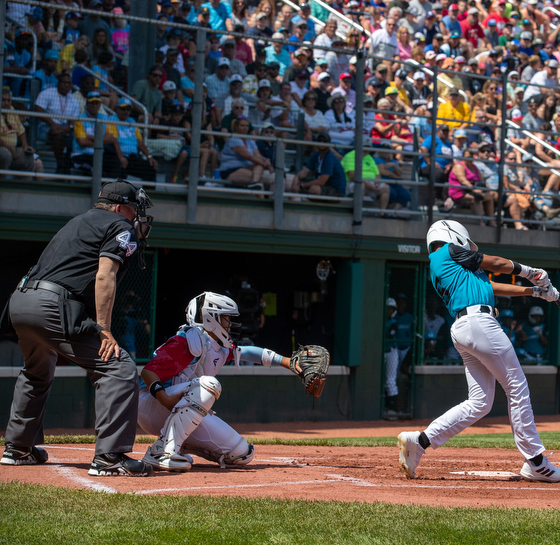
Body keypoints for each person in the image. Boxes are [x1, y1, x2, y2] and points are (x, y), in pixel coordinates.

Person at [2, 180, 154, 477]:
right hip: (51, 305)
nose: (137, 216)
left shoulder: (78, 221)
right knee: (118, 367)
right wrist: (104, 329)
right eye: (134, 209)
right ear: (119, 207)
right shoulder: (119, 225)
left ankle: (18, 448)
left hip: (20, 301)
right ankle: (110, 458)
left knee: (36, 371)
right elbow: (105, 275)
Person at [397, 220, 560, 483]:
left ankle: (420, 441)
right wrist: (530, 272)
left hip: (465, 327)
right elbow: (495, 263)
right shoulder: (447, 251)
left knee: (480, 402)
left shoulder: (453, 267)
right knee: (516, 386)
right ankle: (535, 461)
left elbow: (491, 286)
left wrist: (535, 292)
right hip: (478, 323)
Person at [138, 292, 327, 471]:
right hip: (151, 404)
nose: (230, 323)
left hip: (176, 407)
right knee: (208, 385)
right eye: (226, 318)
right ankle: (161, 451)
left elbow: (248, 353)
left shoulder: (215, 347)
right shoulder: (187, 341)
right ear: (210, 318)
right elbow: (148, 373)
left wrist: (289, 363)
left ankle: (177, 446)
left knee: (241, 453)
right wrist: (164, 398)